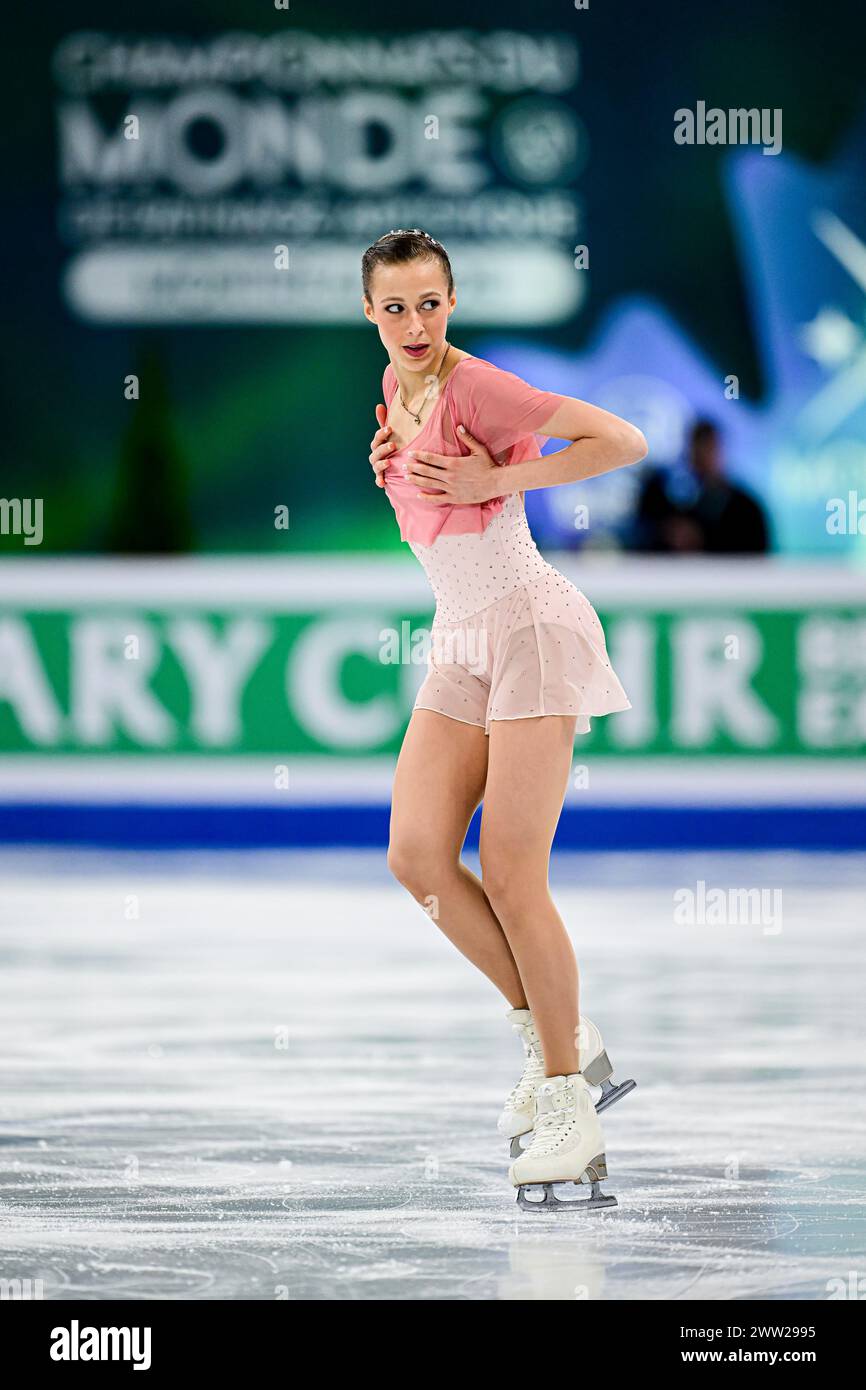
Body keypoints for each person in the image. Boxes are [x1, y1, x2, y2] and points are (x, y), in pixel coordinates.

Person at [361, 228, 646, 1211]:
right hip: (461, 638)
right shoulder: (396, 397)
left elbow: (621, 440)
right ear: (369, 313)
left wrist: (497, 480)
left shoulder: (478, 385)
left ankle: (569, 1102)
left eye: (428, 303)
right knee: (417, 853)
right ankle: (554, 1033)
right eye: (393, 306)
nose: (413, 322)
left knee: (512, 874)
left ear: (451, 302)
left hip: (528, 622)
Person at [631, 419, 770, 554]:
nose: (703, 457)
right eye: (697, 448)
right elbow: (641, 534)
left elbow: (755, 558)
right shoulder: (662, 493)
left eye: (709, 448)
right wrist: (665, 531)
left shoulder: (746, 507)